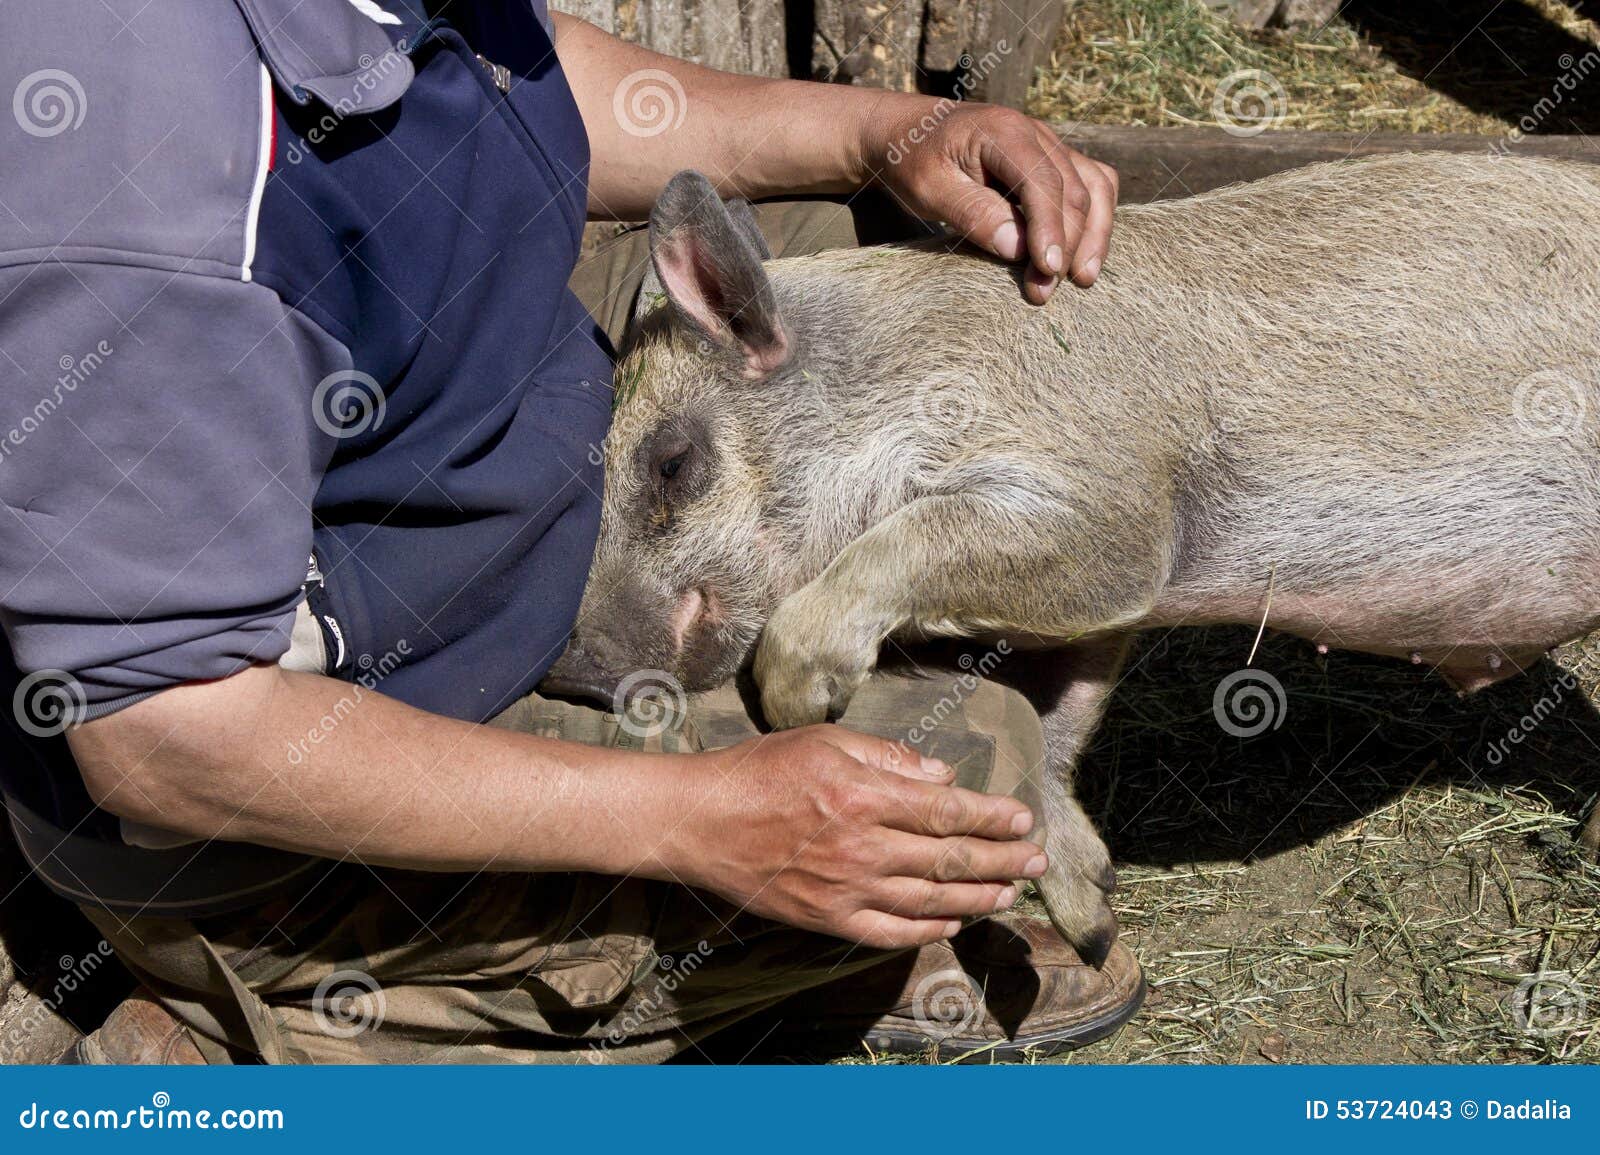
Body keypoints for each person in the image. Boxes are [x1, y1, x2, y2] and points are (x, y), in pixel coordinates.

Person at [0, 0, 1141, 1064]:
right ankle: (287, 1021)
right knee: (970, 762)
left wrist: (886, 133)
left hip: (474, 468)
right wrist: (696, 823)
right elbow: (161, 735)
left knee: (840, 260)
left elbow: (528, 70)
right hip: (264, 802)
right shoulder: (157, 218)